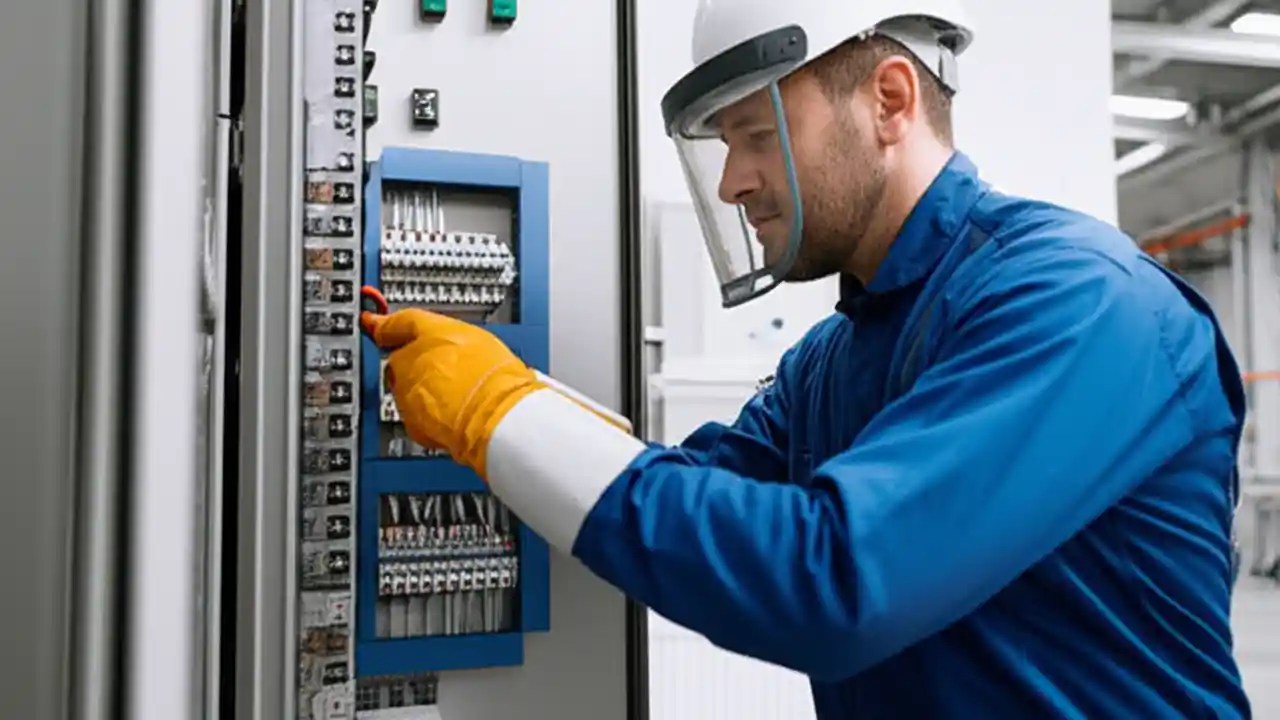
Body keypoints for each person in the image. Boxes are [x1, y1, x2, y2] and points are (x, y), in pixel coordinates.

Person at [361, 0, 1253, 716]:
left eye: (756, 133)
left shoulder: (1080, 302)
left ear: (891, 100)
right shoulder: (830, 358)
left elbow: (828, 583)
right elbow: (689, 497)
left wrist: (499, 412)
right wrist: (504, 394)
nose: (730, 181)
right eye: (722, 145)